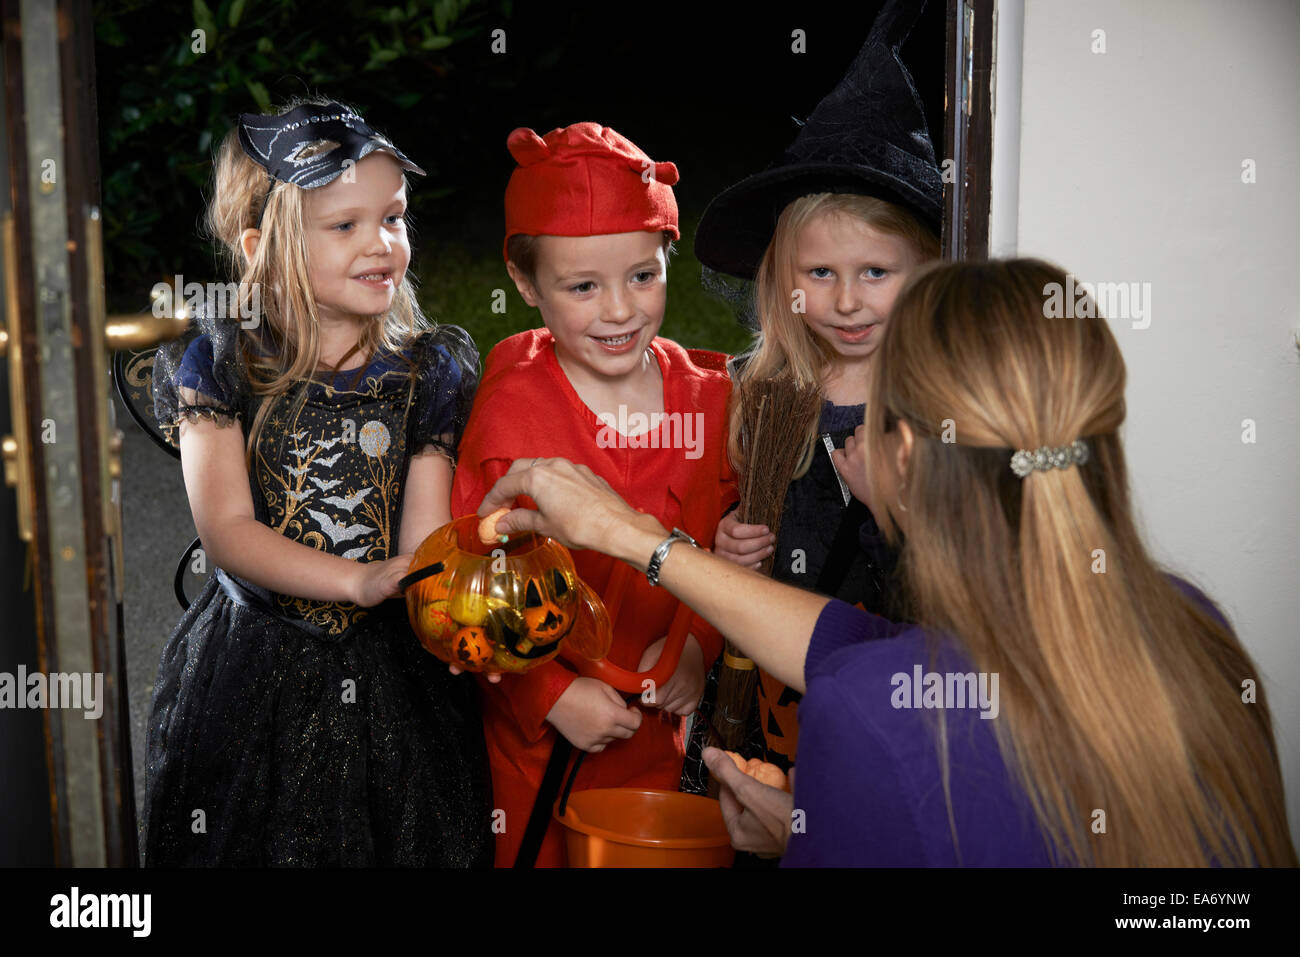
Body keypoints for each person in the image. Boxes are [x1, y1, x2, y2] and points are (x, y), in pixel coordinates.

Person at [469, 258, 1298, 867]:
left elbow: (877, 691)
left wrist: (801, 835)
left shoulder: (870, 716)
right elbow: (857, 648)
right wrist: (631, 535)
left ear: (902, 456)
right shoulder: (1192, 621)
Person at [143, 97, 493, 866]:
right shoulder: (226, 363)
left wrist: (443, 610)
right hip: (260, 661)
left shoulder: (426, 368)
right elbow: (228, 531)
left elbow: (426, 540)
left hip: (393, 672)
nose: (383, 244)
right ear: (263, 247)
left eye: (394, 217)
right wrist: (357, 579)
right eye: (346, 225)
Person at [447, 122, 737, 867]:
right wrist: (548, 695)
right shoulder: (514, 410)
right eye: (583, 287)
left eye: (643, 275)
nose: (619, 310)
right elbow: (474, 588)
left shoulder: (706, 401)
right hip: (540, 745)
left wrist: (697, 650)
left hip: (658, 732)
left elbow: (719, 544)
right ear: (525, 285)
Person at [695, 0, 941, 778]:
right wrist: (732, 548)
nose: (845, 300)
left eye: (876, 272)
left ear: (926, 274)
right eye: (820, 274)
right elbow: (730, 552)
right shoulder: (762, 393)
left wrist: (889, 504)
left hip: (891, 708)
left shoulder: (937, 407)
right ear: (783, 280)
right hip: (773, 703)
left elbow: (952, 592)